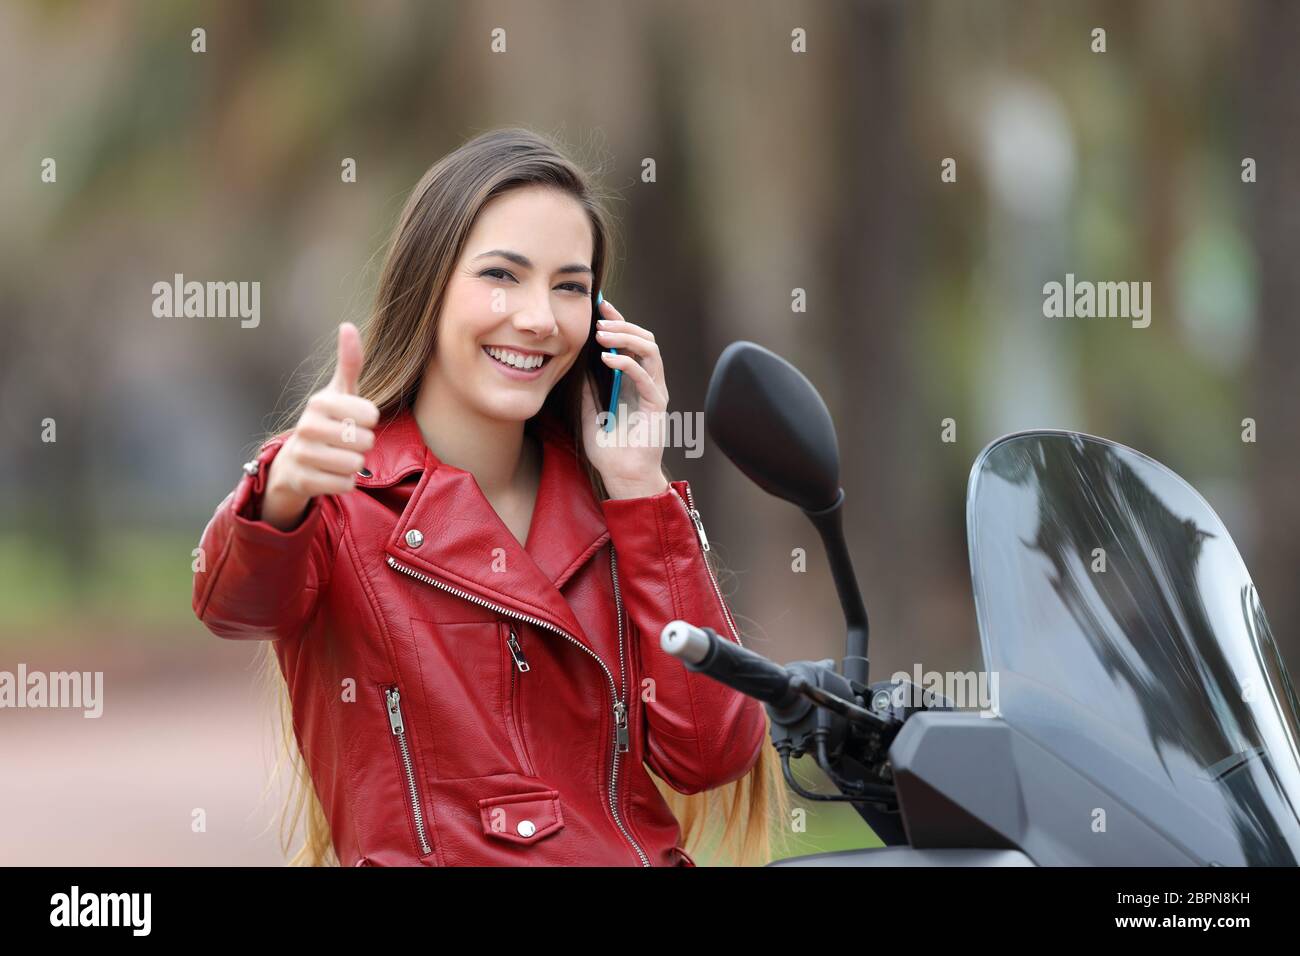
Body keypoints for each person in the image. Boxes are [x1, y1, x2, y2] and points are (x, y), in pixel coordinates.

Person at [191, 127, 788, 866]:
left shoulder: (617, 506)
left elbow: (714, 750)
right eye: (502, 275)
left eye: (570, 286)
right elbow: (233, 606)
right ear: (428, 287)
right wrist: (279, 494)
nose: (539, 317)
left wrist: (642, 489)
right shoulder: (334, 491)